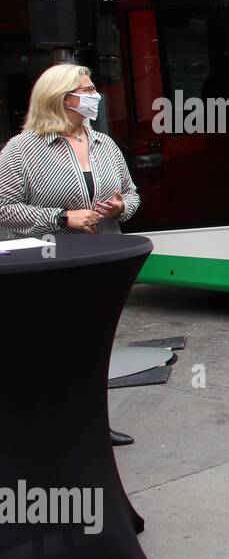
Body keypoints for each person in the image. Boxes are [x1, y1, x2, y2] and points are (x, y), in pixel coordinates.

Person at [0, 63, 141, 447]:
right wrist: (61, 216)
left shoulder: (104, 144)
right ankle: (46, 429)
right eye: (88, 88)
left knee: (95, 346)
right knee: (51, 347)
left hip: (102, 262)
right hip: (50, 266)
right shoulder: (21, 149)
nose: (96, 94)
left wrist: (118, 209)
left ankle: (95, 425)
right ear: (63, 98)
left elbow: (131, 194)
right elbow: (4, 207)